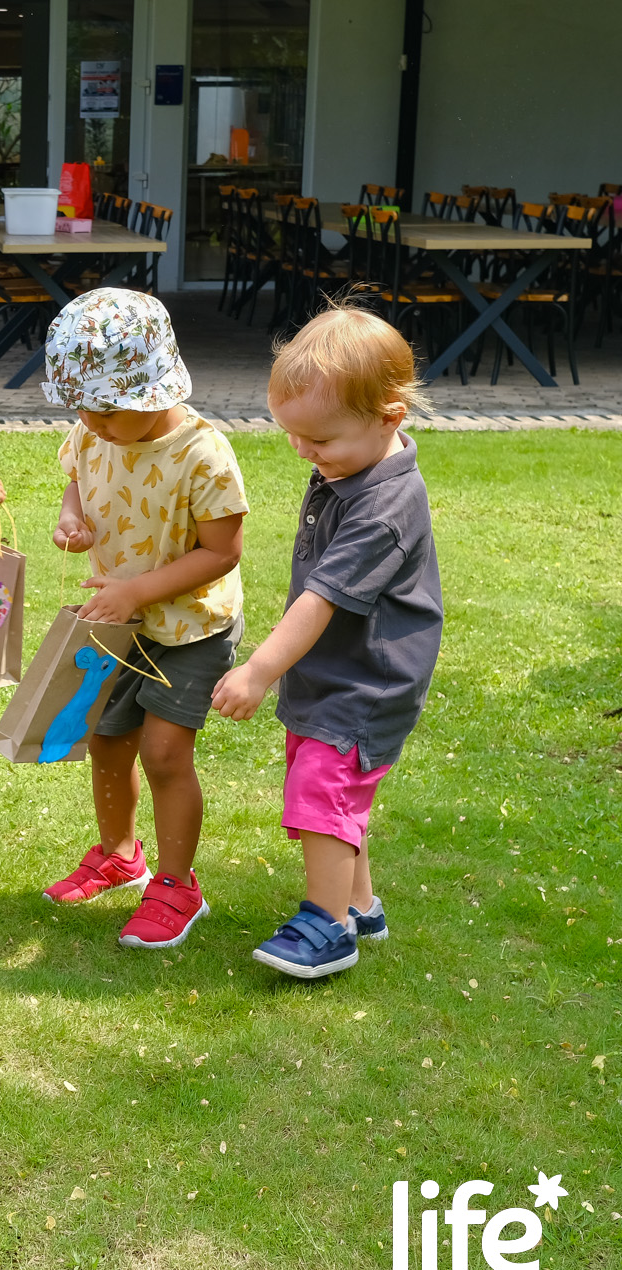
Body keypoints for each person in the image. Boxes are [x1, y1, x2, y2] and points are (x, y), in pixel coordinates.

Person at [214, 306, 442, 979]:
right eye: (294, 438)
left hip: (367, 681)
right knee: (334, 794)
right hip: (333, 672)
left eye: (320, 441)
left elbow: (320, 600)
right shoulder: (355, 461)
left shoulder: (384, 506)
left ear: (389, 416)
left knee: (321, 791)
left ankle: (328, 924)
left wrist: (259, 669)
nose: (306, 454)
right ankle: (361, 905)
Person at [38, 289, 248, 951]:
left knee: (163, 752)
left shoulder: (203, 455)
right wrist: (73, 516)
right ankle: (121, 854)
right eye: (81, 407)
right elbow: (78, 472)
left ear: (153, 392)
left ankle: (179, 883)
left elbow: (223, 550)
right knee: (105, 736)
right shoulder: (94, 430)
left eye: (104, 408)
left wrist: (139, 590)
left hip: (190, 626)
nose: (89, 421)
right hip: (120, 622)